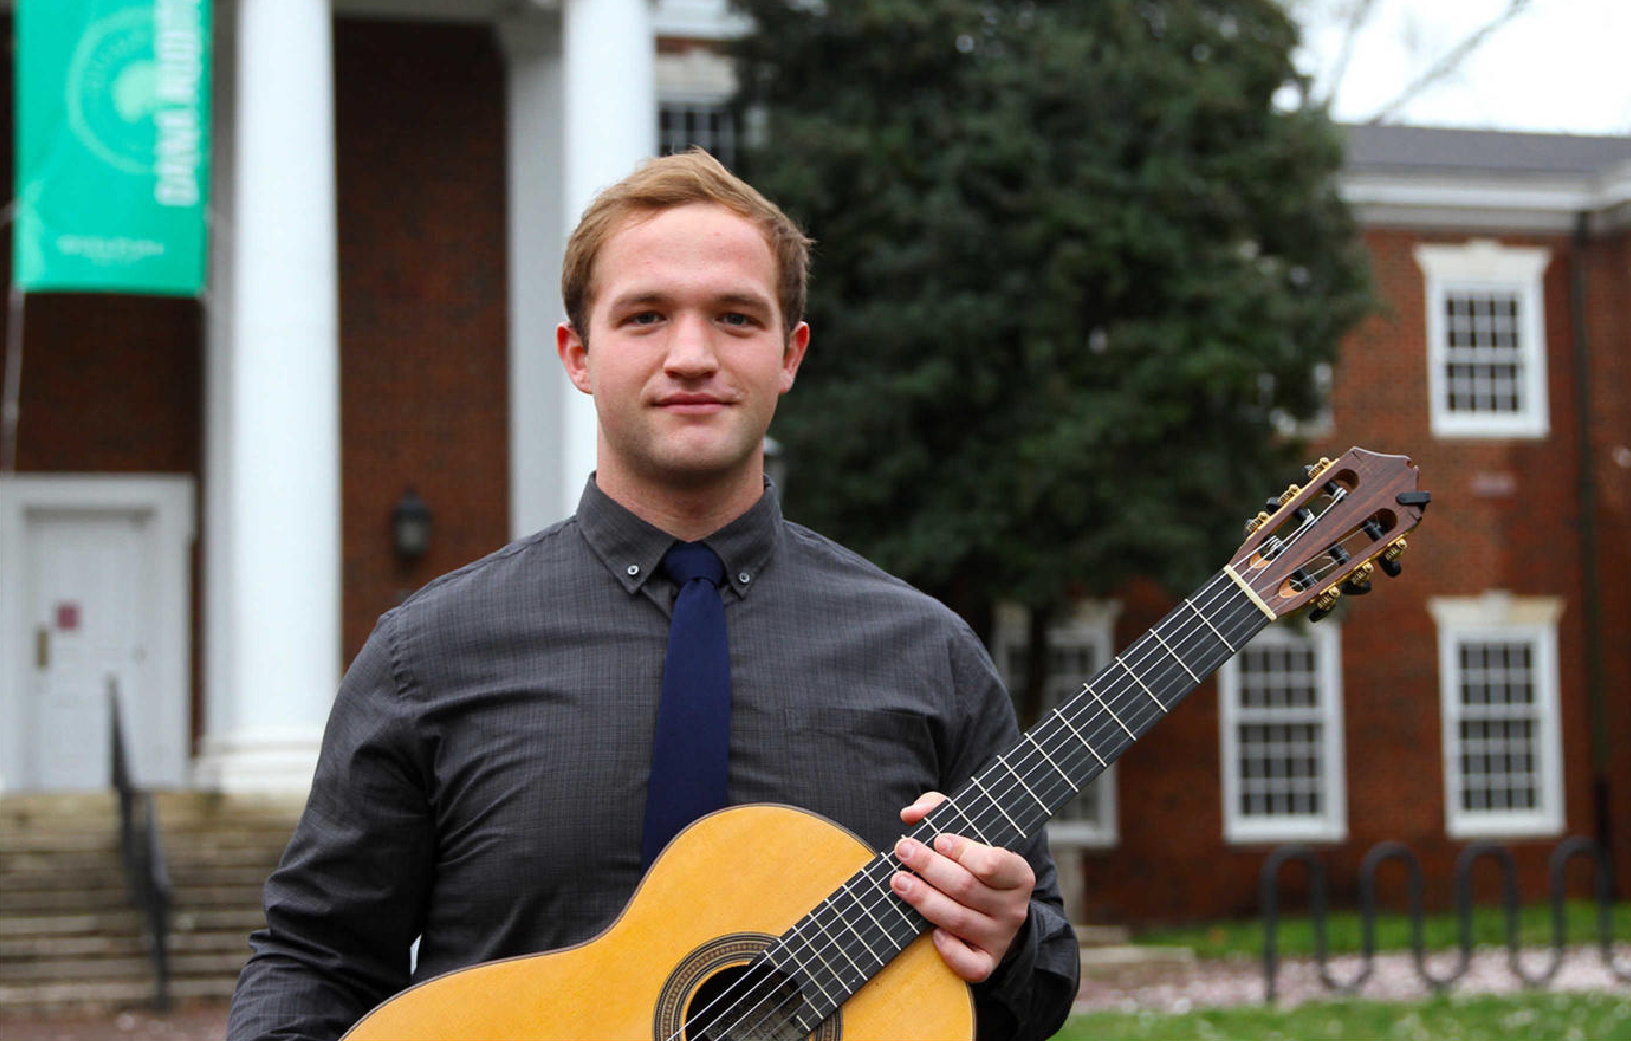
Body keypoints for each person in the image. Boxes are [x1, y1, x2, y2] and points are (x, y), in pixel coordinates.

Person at [226, 149, 1080, 1040]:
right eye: (644, 316)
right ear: (578, 354)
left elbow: (1036, 980)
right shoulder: (426, 655)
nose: (692, 354)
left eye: (736, 317)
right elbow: (315, 959)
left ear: (790, 356)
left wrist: (1012, 938)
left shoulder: (929, 655)